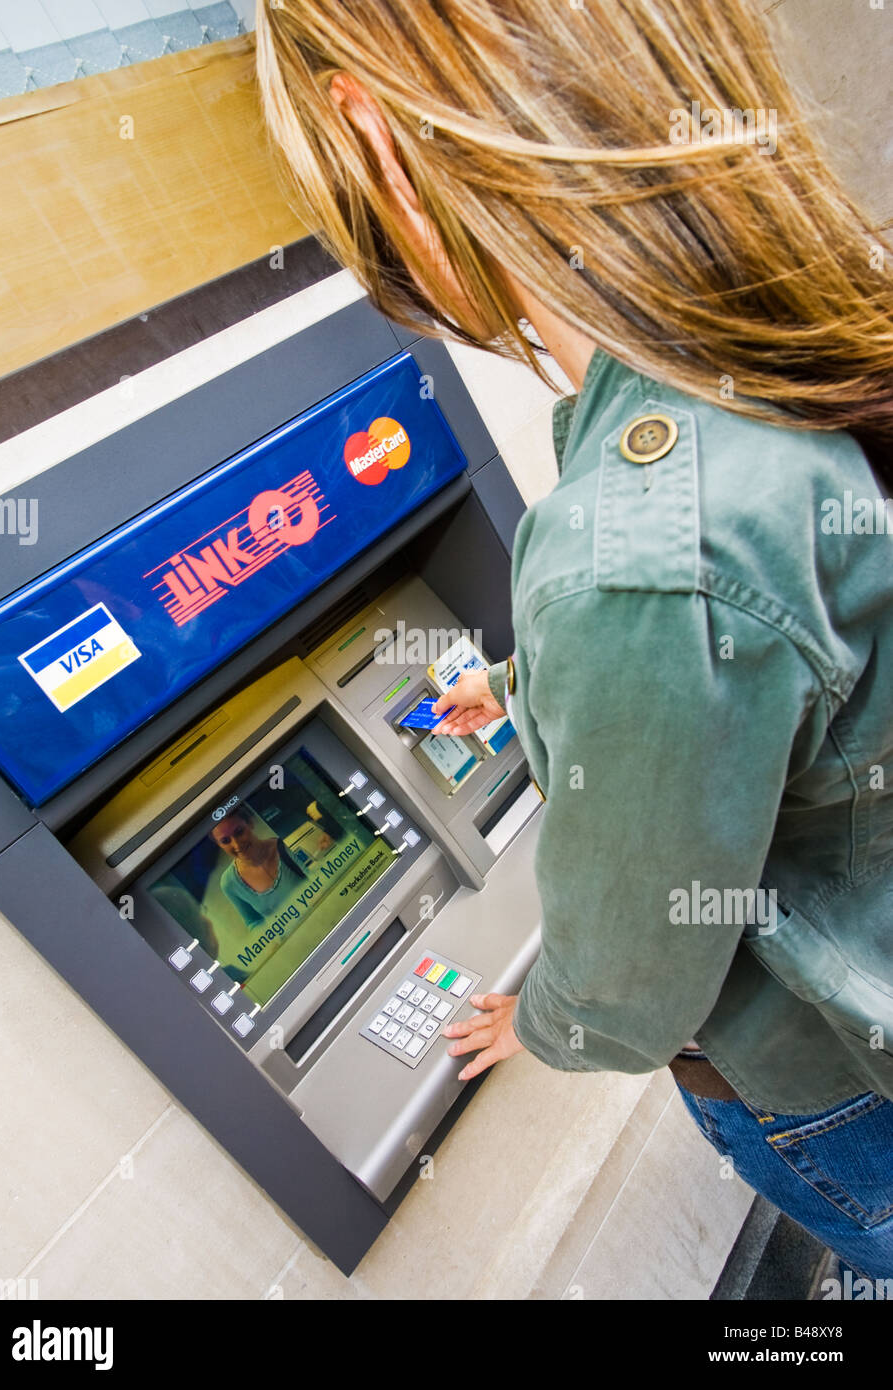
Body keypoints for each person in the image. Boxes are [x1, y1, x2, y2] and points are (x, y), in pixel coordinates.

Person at [254, 0, 893, 1281]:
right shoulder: (776, 343)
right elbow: (775, 660)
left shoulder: (637, 539)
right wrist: (523, 690)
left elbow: (622, 995)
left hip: (836, 1092)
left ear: (375, 141)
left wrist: (540, 1017)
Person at [211, 805, 307, 930]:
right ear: (219, 845)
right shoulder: (229, 883)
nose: (236, 845)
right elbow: (253, 922)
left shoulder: (284, 845)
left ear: (250, 823)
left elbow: (321, 878)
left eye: (239, 832)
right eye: (225, 841)